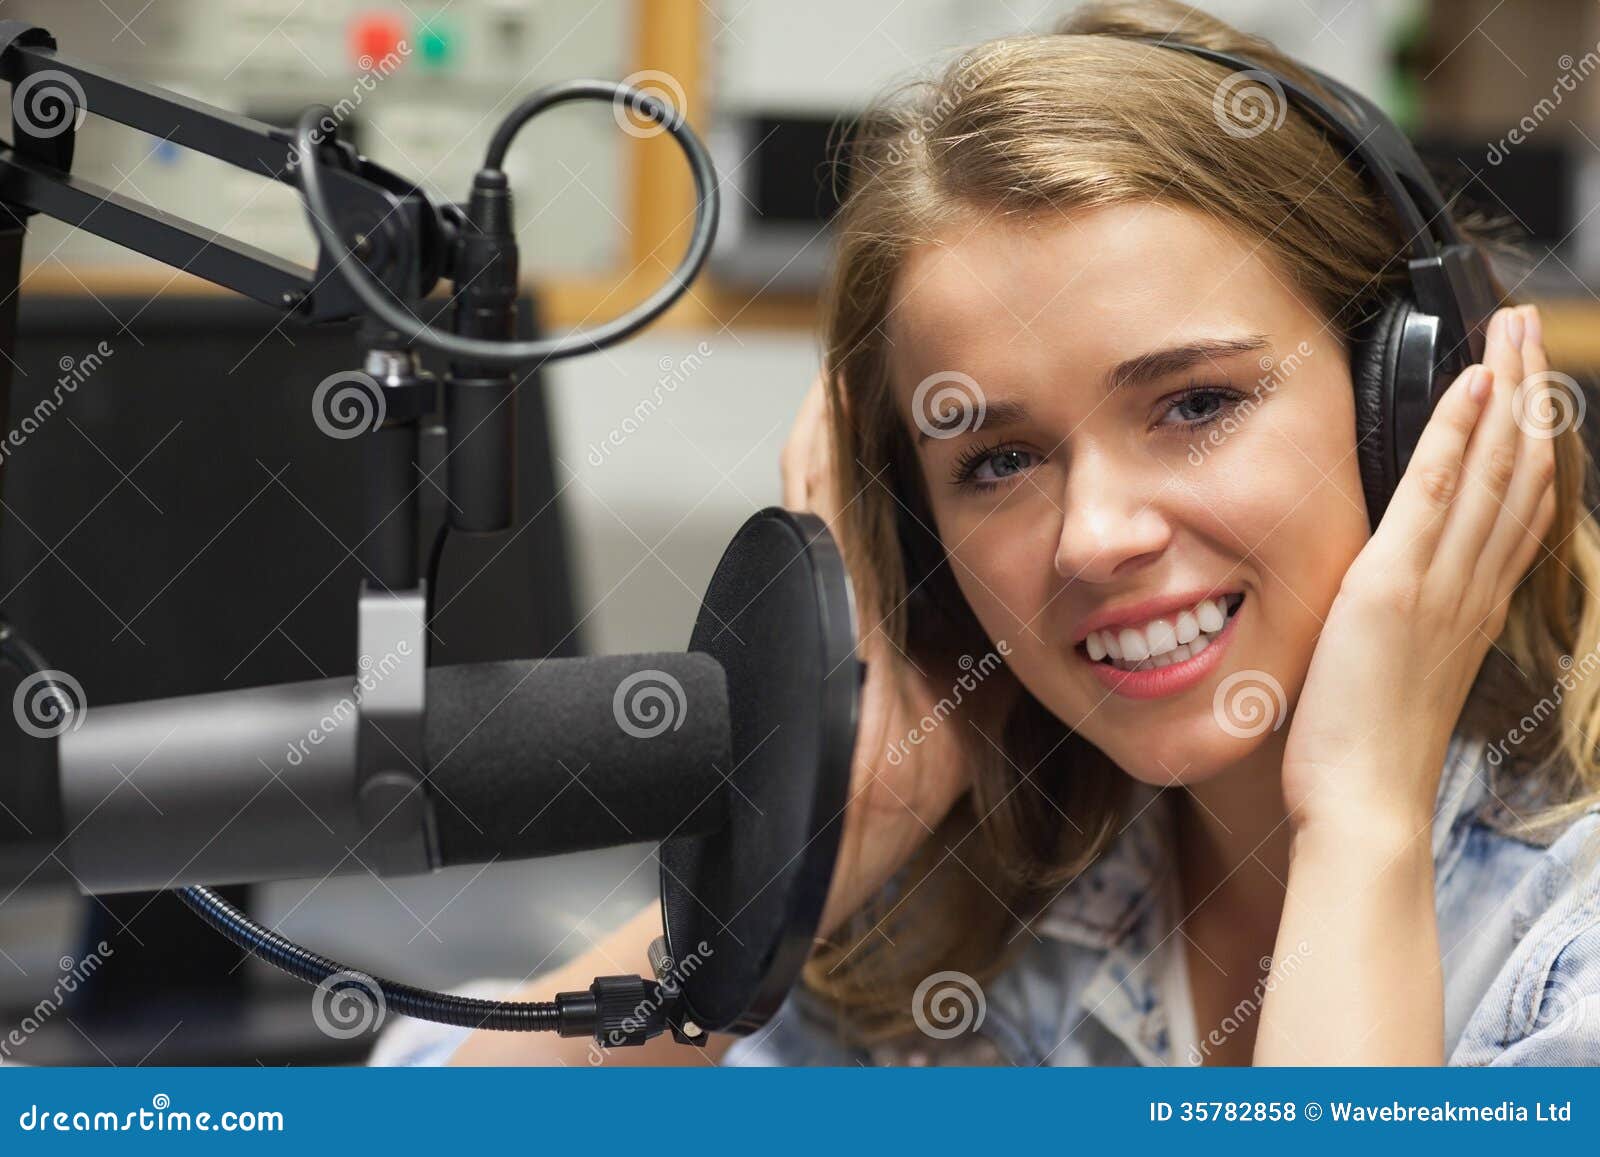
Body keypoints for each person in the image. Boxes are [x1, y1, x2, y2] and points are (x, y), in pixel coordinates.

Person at [371, 0, 1600, 1067]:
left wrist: (1360, 817)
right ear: (916, 535)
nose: (1094, 538)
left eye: (1195, 403)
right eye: (998, 461)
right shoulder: (995, 904)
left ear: (1418, 407)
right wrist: (804, 845)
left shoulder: (1567, 929)